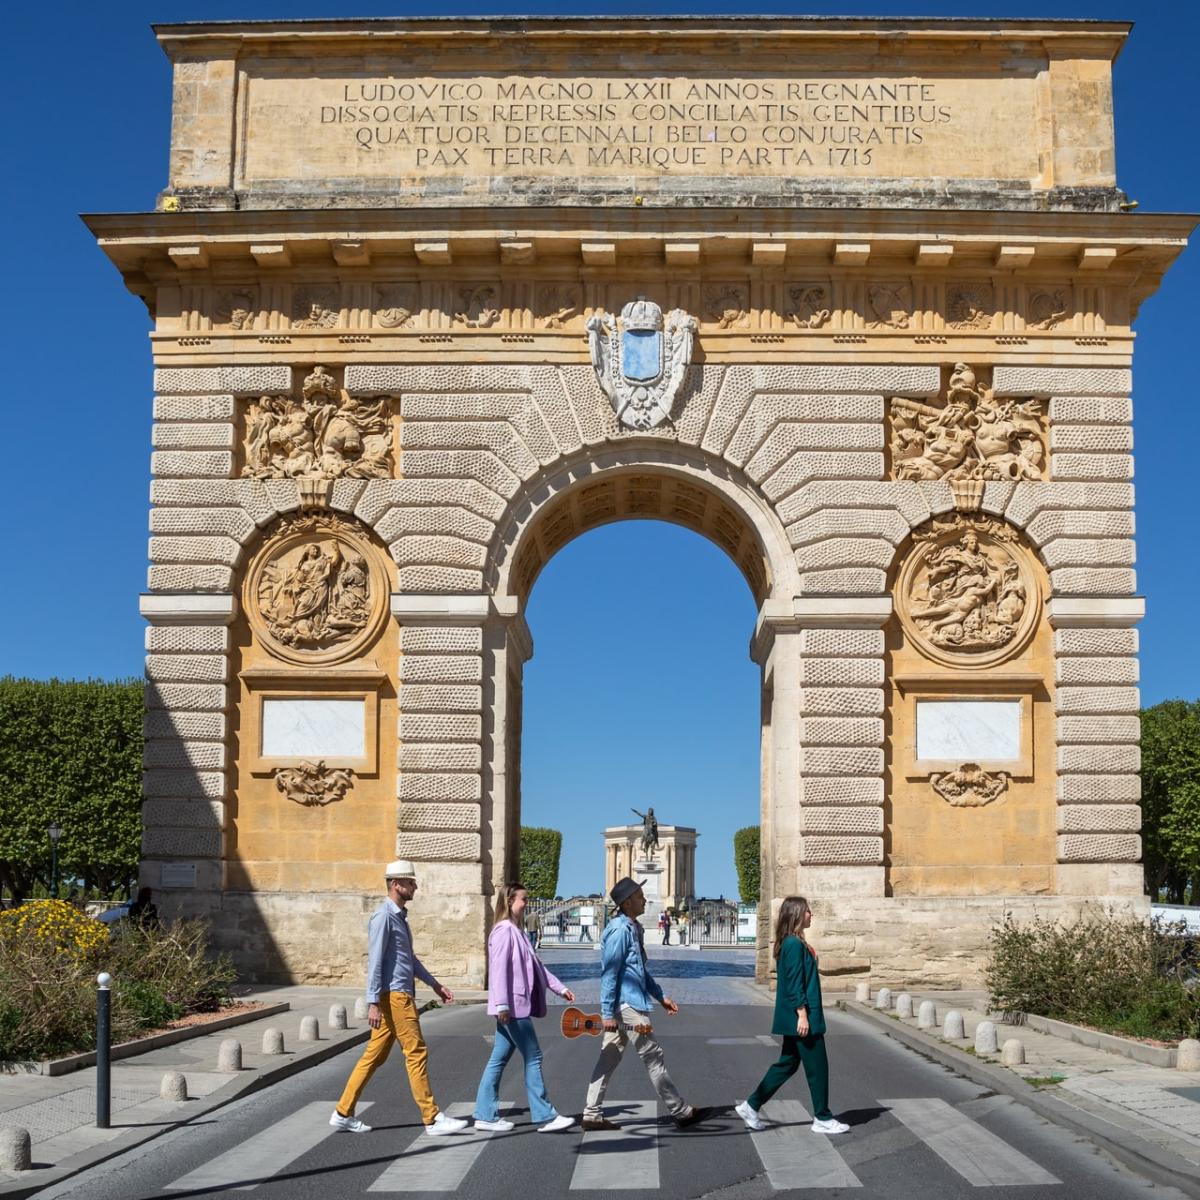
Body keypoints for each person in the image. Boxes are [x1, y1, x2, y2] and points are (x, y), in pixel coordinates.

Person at [330, 859, 468, 1137]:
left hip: (396, 994)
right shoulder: (384, 917)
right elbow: (376, 961)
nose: (415, 886)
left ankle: (343, 1112)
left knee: (374, 1056)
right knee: (416, 1053)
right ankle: (432, 1118)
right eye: (410, 882)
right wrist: (372, 1001)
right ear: (396, 885)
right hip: (395, 996)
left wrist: (435, 985)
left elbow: (409, 960)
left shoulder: (399, 918)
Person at [581, 876, 712, 1131]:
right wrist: (607, 1013)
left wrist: (660, 996)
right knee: (653, 1056)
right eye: (640, 897)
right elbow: (610, 973)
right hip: (628, 1008)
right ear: (628, 902)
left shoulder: (633, 928)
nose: (646, 900)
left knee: (609, 1057)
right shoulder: (620, 931)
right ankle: (681, 1111)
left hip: (628, 1004)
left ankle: (591, 1113)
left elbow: (639, 971)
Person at [735, 895, 849, 1135]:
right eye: (808, 911)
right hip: (803, 1015)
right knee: (818, 1067)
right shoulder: (794, 945)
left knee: (787, 1064)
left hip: (797, 1014)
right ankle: (822, 1117)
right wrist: (803, 1014)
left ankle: (751, 1105)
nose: (811, 915)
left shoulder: (791, 942)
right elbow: (796, 982)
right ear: (797, 915)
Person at [473, 882, 577, 1133]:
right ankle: (544, 1115)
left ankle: (485, 1114)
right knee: (534, 1057)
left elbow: (538, 967)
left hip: (513, 1006)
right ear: (510, 901)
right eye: (523, 899)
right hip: (512, 1007)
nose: (526, 903)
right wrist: (503, 1005)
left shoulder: (516, 931)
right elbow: (498, 972)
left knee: (498, 1059)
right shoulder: (503, 931)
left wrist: (560, 988)